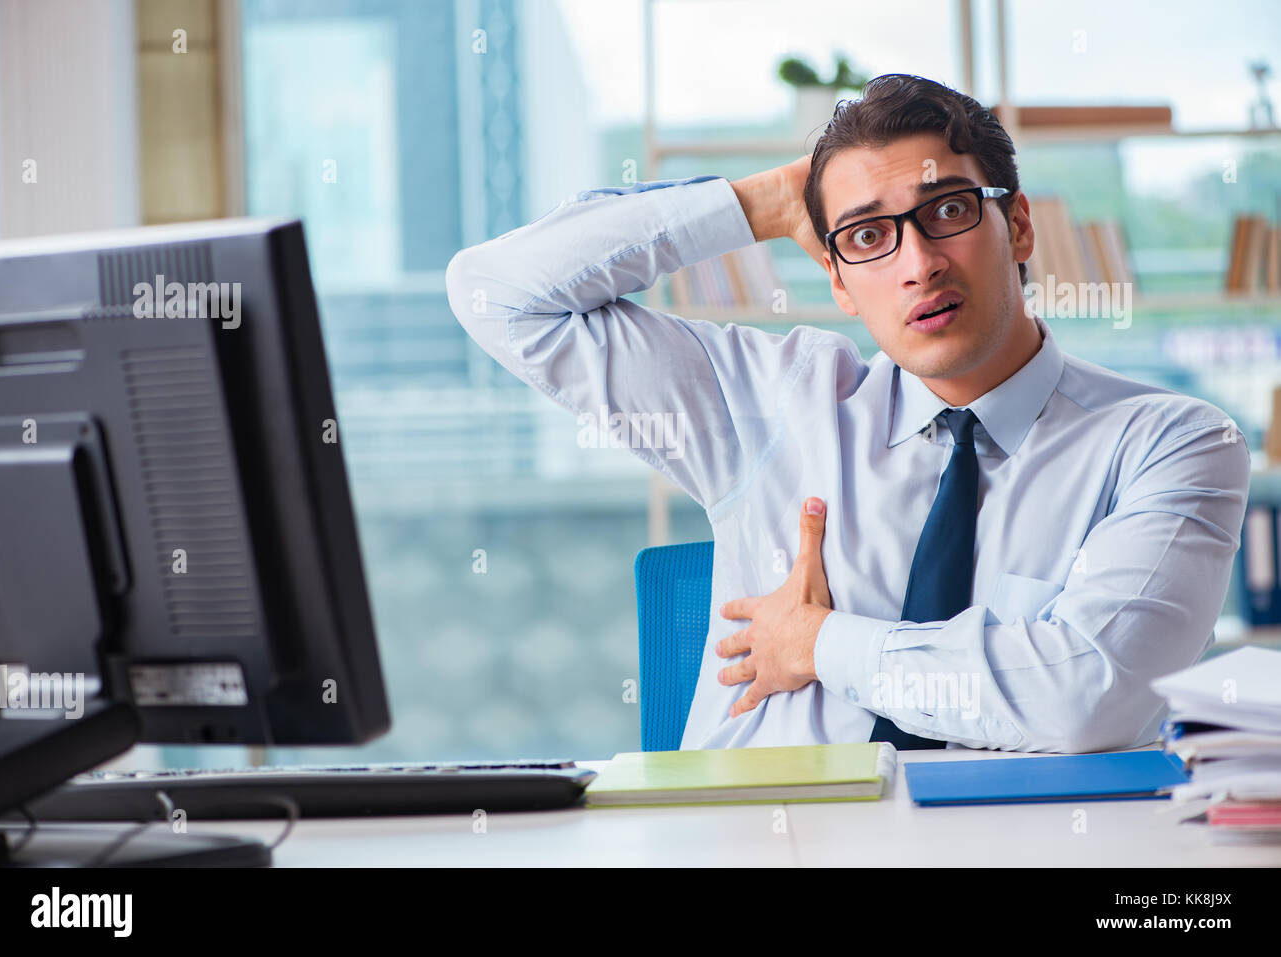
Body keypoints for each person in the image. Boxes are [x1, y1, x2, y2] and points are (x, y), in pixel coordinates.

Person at [445, 73, 1251, 752]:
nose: (918, 263)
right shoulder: (770, 402)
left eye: (948, 210)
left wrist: (821, 643)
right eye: (868, 236)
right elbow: (499, 295)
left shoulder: (1173, 443)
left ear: (1021, 226)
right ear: (836, 279)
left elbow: (1084, 694)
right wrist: (757, 203)